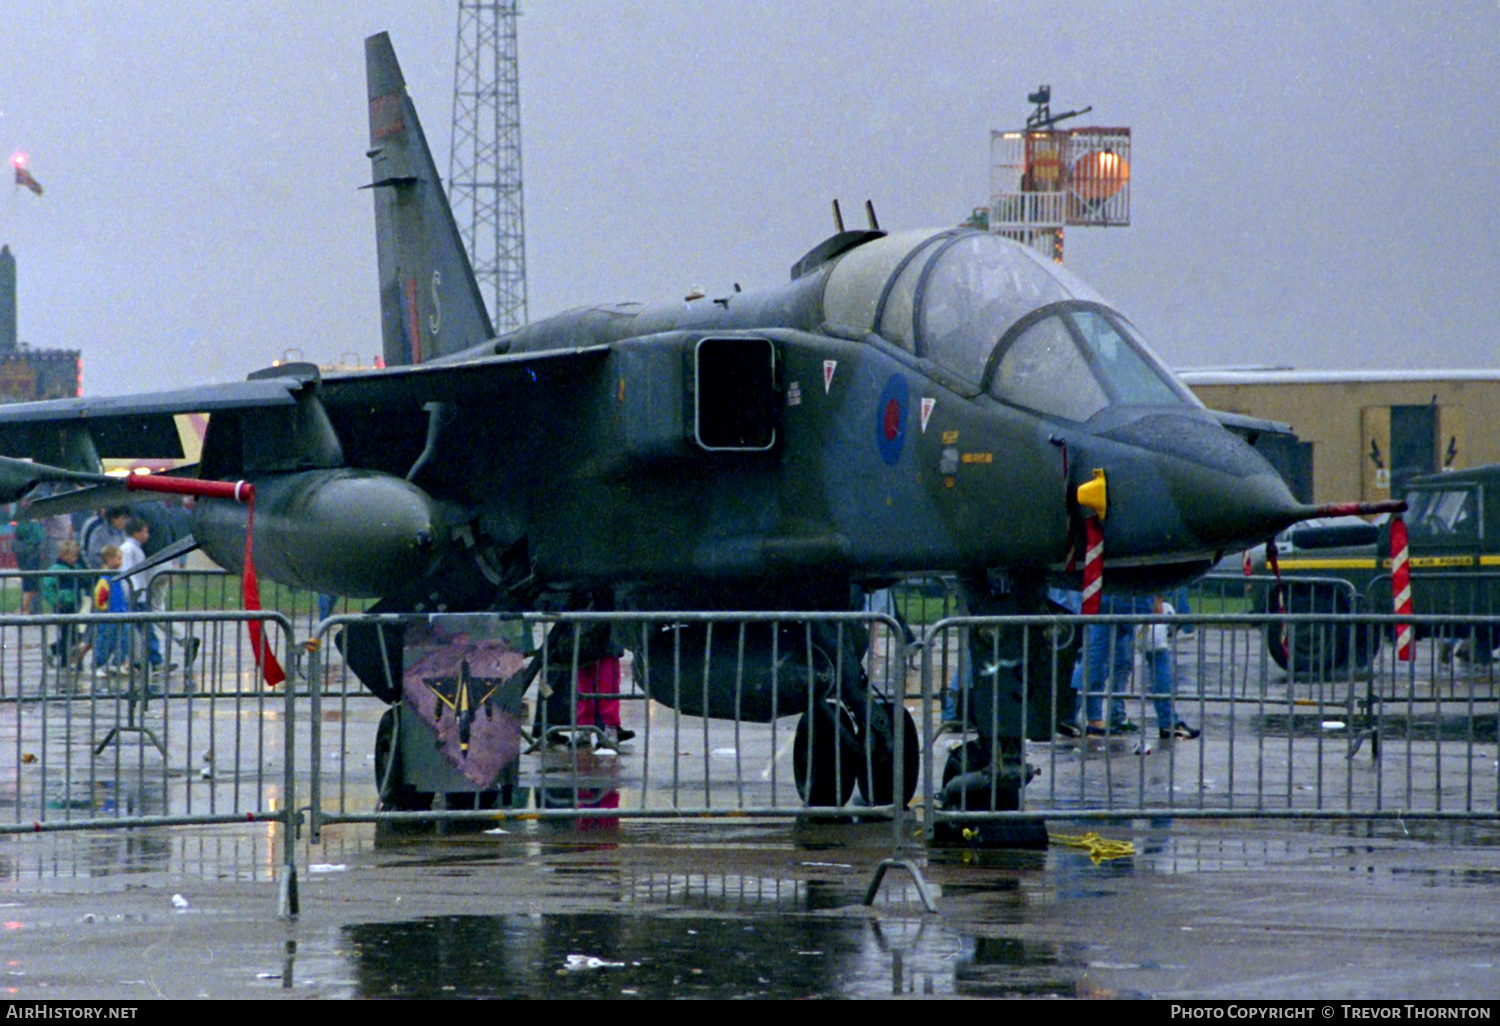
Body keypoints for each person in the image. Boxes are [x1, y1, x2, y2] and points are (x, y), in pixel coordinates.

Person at [1069, 592, 1149, 737]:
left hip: (1107, 595)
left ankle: (1091, 716)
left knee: (1098, 658)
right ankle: (1069, 714)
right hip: (1129, 595)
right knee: (1097, 658)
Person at [1140, 596, 1201, 741]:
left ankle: (1099, 717)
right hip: (1141, 597)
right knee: (1158, 656)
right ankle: (1168, 722)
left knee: (1109, 657)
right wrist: (1157, 598)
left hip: (1109, 594)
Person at [118, 518, 163, 669]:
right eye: (145, 532)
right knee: (145, 629)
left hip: (139, 594)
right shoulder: (128, 549)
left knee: (144, 629)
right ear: (136, 533)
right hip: (135, 596)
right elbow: (127, 571)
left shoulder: (135, 548)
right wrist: (135, 590)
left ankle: (148, 659)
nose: (147, 535)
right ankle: (152, 659)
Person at [41, 540, 86, 669]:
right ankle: (62, 657)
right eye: (73, 556)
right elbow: (47, 587)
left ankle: (58, 652)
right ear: (63, 555)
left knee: (73, 634)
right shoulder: (56, 570)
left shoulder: (76, 568)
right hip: (63, 605)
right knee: (68, 633)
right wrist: (55, 601)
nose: (75, 559)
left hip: (74, 604)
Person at [92, 545, 130, 677]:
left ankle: (118, 663)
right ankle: (99, 664)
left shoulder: (117, 575)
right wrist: (104, 608)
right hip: (109, 615)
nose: (121, 561)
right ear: (109, 559)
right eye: (118, 558)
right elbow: (99, 596)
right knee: (105, 641)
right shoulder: (105, 578)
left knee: (123, 640)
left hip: (120, 613)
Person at [11, 514, 48, 615]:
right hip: (31, 556)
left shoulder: (20, 525)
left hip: (23, 555)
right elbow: (39, 537)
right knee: (31, 584)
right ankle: (24, 609)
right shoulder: (34, 526)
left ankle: (24, 608)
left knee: (27, 583)